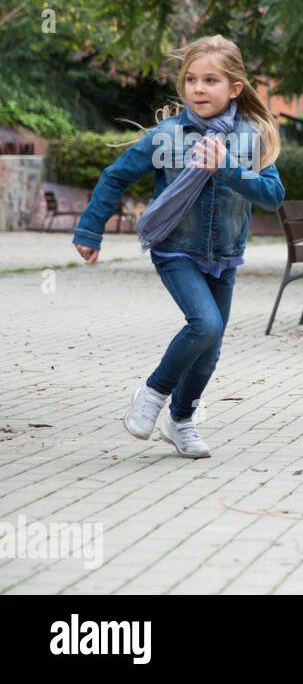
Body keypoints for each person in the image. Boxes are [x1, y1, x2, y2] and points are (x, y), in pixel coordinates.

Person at [73, 35, 285, 458]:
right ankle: (153, 394)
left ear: (235, 89)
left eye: (210, 80)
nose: (199, 89)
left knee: (211, 347)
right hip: (176, 249)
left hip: (224, 255)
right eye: (191, 80)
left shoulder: (250, 137)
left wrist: (228, 168)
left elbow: (272, 195)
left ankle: (181, 420)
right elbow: (116, 176)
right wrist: (90, 230)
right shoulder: (168, 135)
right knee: (204, 326)